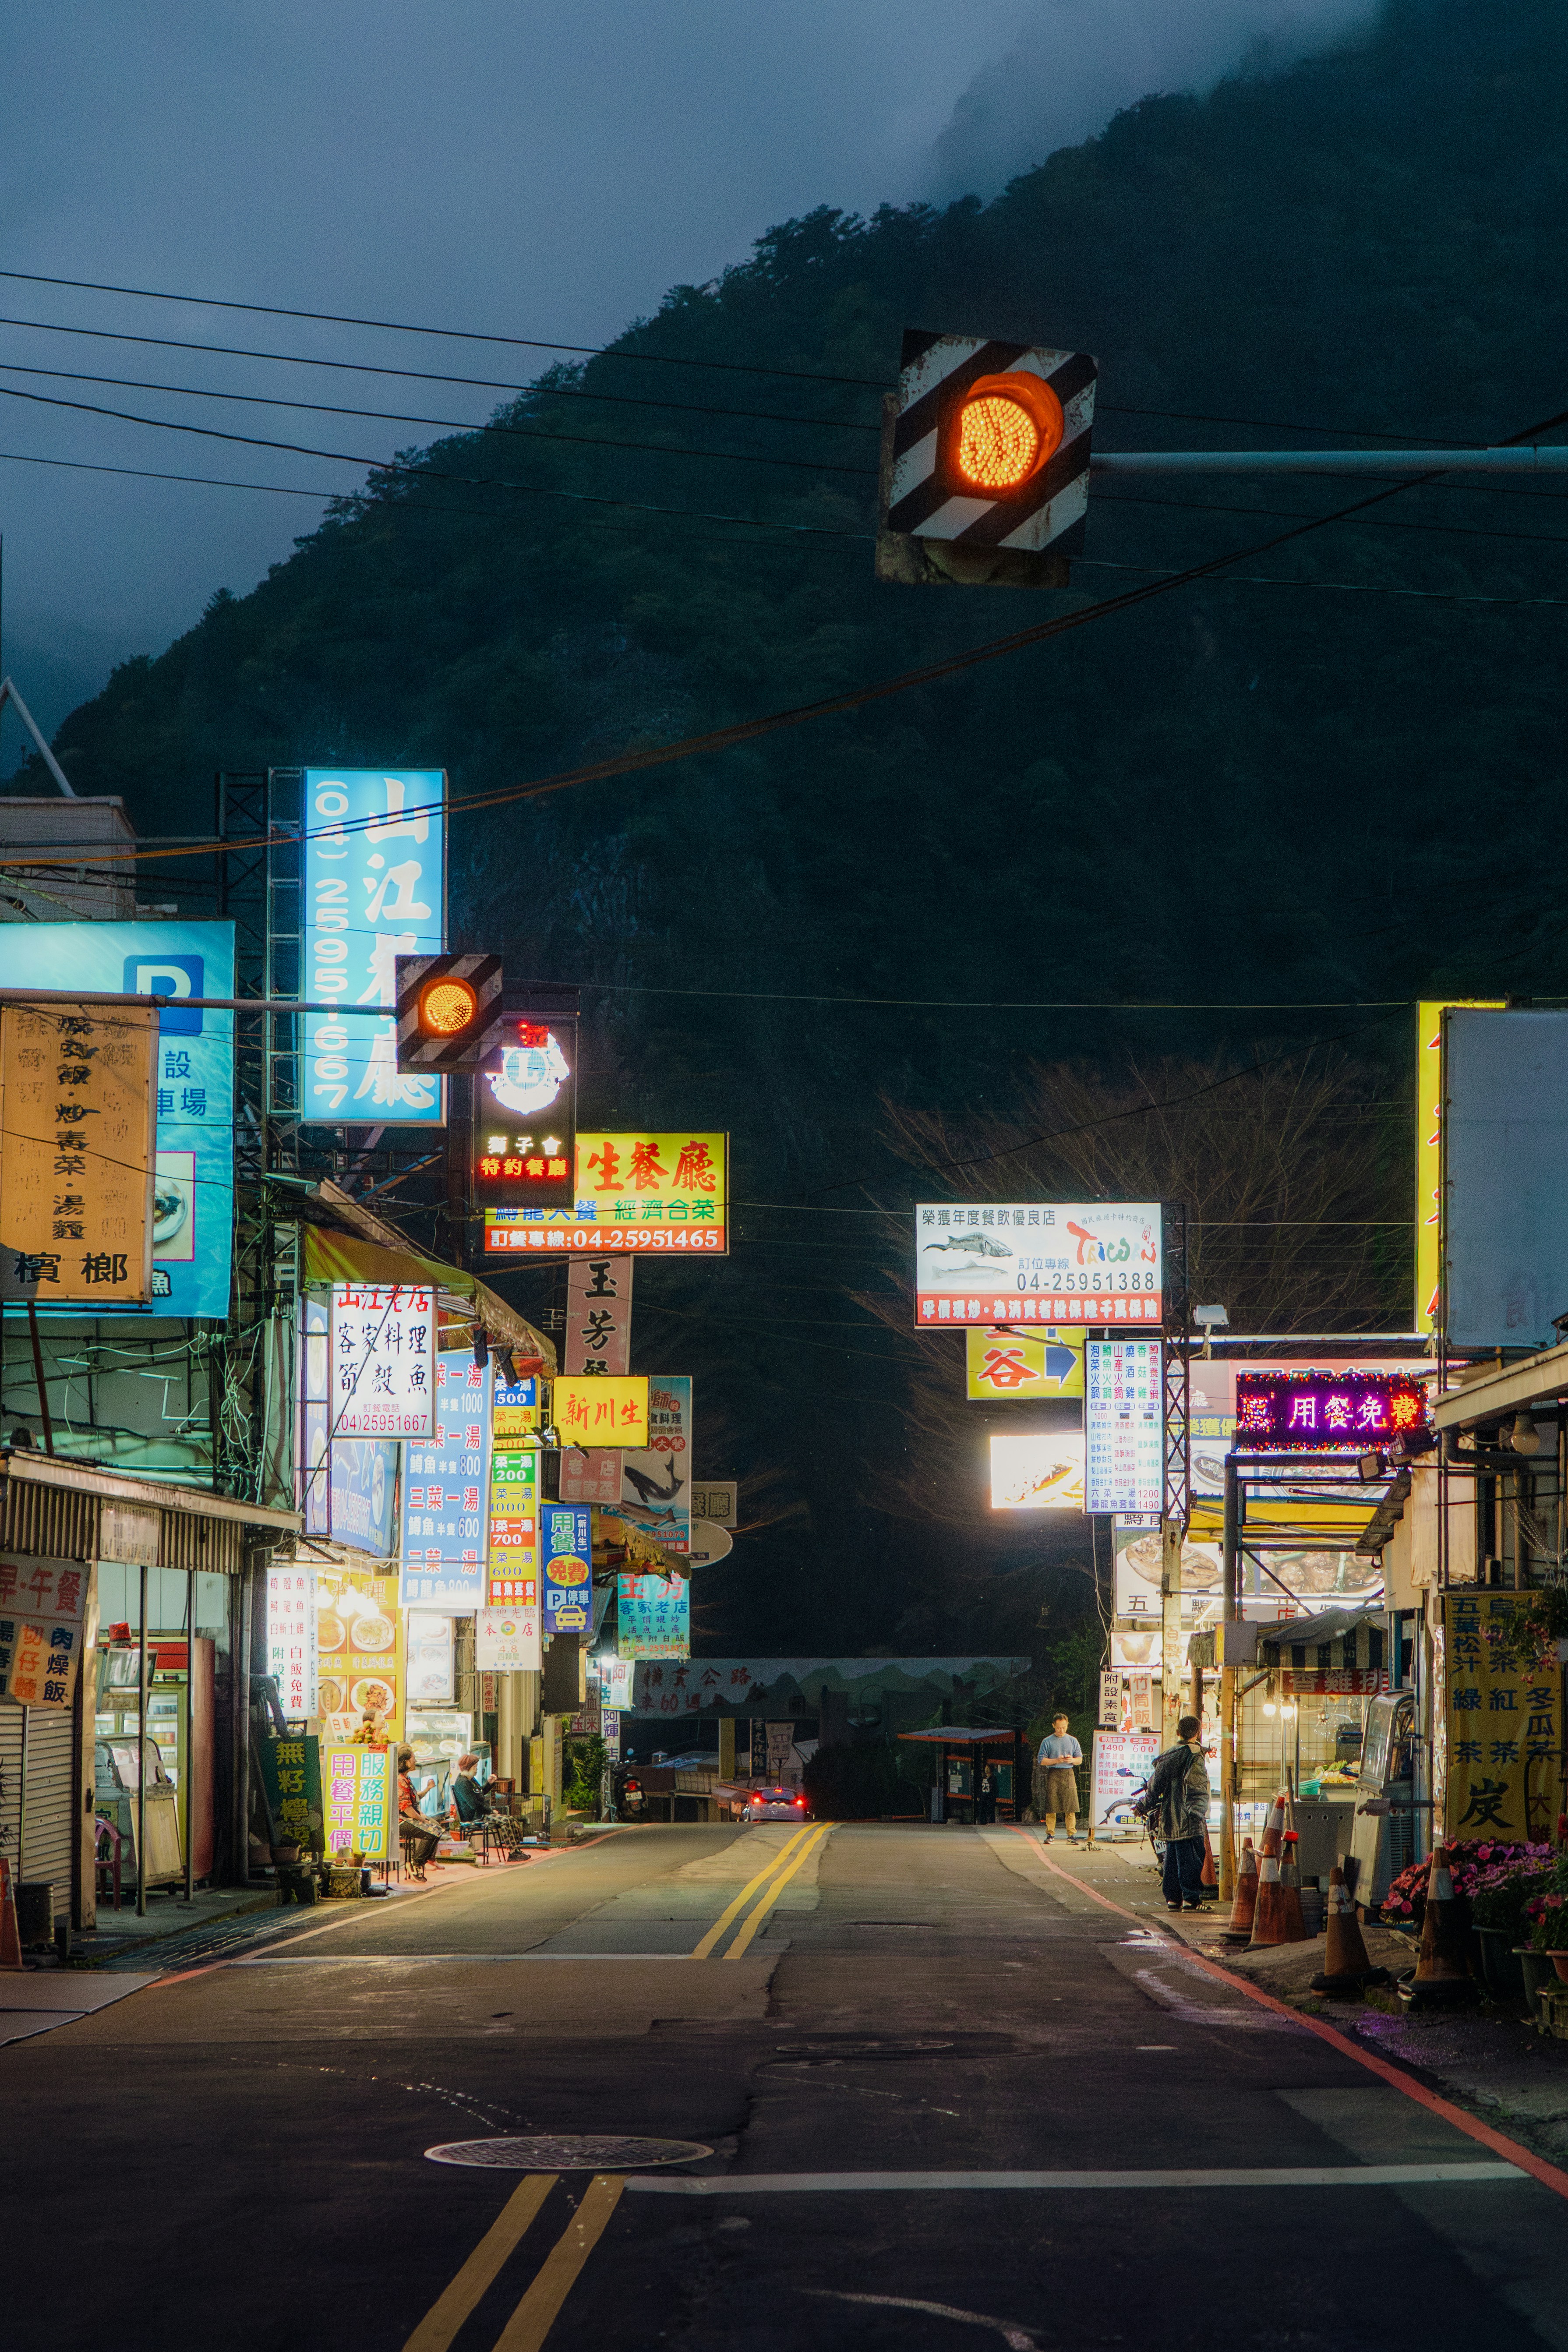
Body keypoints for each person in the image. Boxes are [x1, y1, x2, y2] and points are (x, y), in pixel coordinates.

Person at [1150, 1715, 1211, 1911]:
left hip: (1169, 1816)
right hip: (1189, 1817)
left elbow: (1153, 1787)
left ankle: (1173, 1899)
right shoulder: (1194, 1754)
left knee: (1173, 1858)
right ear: (1198, 1732)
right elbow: (1197, 1786)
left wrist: (1144, 1805)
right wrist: (1198, 1812)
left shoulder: (1167, 1755)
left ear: (1178, 1732)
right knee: (1192, 1858)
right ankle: (1191, 1899)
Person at [396, 1745, 443, 1879]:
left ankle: (424, 1859)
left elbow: (415, 1797)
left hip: (410, 1817)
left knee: (438, 1828)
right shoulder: (401, 1781)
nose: (415, 1761)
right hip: (402, 1820)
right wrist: (422, 1819)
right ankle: (416, 1863)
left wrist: (428, 1788)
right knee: (432, 1831)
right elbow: (407, 1808)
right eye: (413, 1759)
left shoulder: (407, 1779)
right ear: (406, 1762)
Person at [1036, 1713, 1083, 1842]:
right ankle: (1050, 1834)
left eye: (1064, 1727)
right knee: (1052, 1806)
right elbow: (1042, 1760)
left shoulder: (1073, 1740)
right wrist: (1057, 1760)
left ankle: (1071, 1835)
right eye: (1058, 1728)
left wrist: (1072, 1760)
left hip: (1069, 1773)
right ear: (1053, 1726)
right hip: (1054, 1774)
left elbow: (1080, 1760)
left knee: (1071, 1807)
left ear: (1067, 1725)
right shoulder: (1047, 1741)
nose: (1061, 1730)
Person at [450, 1753, 492, 1828]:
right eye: (475, 1767)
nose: (477, 1769)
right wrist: (491, 1811)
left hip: (480, 1814)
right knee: (506, 1822)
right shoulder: (463, 1783)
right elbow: (474, 1805)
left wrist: (489, 1784)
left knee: (511, 1820)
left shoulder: (470, 1779)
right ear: (468, 1768)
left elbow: (480, 1792)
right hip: (475, 1817)